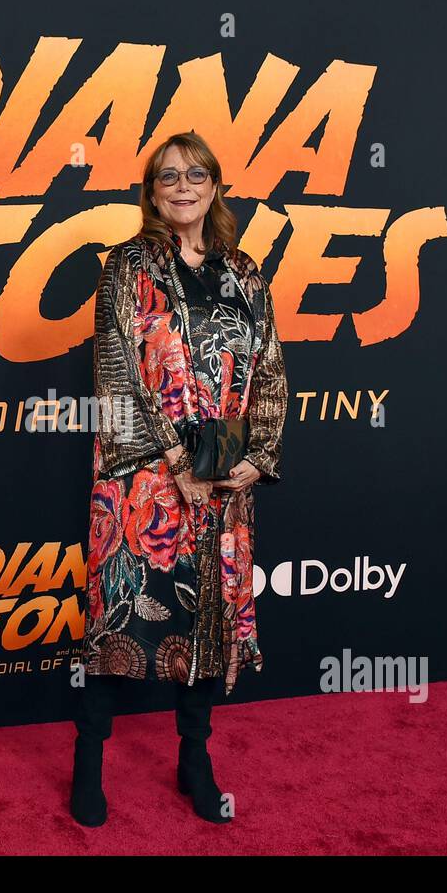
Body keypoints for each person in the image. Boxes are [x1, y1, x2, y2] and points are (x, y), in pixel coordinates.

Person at [72, 131, 289, 827]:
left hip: (224, 480)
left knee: (209, 623)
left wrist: (259, 453)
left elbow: (271, 369)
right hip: (141, 481)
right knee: (117, 619)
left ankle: (195, 760)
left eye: (197, 174)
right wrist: (175, 463)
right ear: (153, 191)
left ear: (215, 185)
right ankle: (89, 761)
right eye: (169, 176)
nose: (184, 185)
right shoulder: (126, 267)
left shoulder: (246, 272)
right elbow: (117, 374)